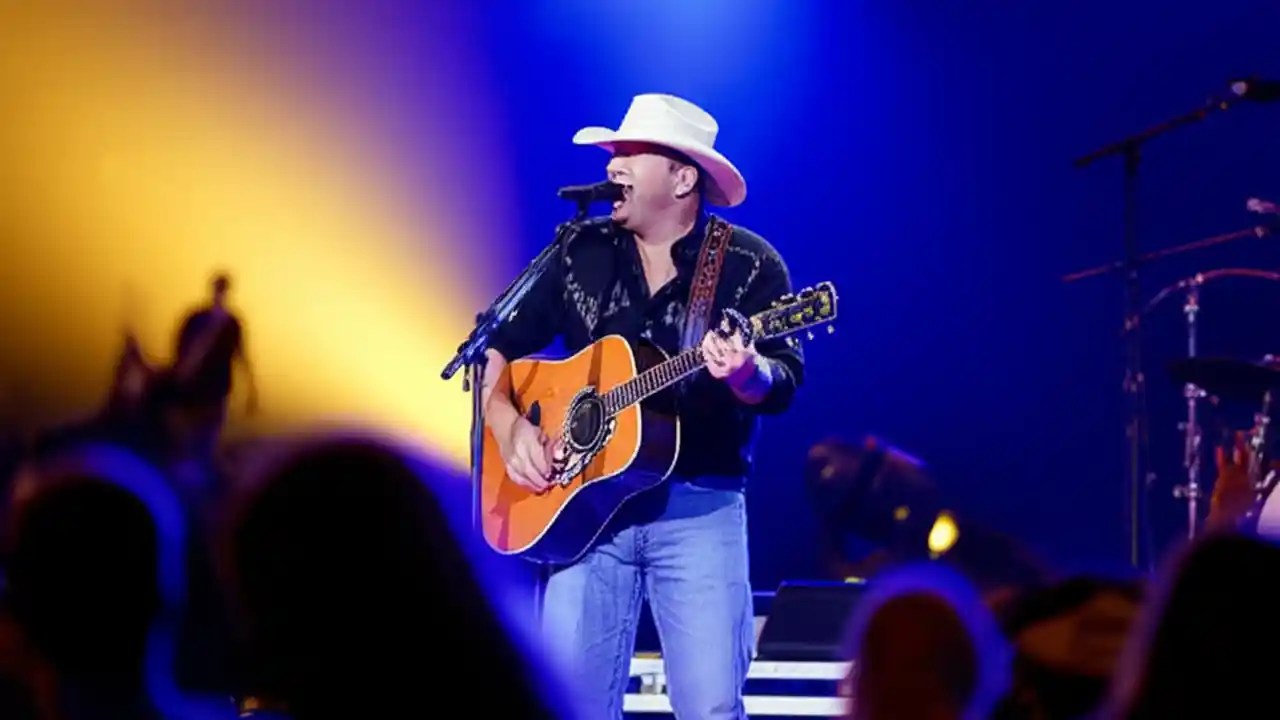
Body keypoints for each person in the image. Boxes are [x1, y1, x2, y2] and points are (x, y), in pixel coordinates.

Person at [482, 93, 804, 718]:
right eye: (614, 153)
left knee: (709, 708)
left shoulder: (748, 266)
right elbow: (496, 347)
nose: (612, 166)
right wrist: (506, 424)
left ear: (684, 178)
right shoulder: (581, 250)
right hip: (583, 512)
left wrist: (744, 372)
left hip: (699, 509)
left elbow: (781, 380)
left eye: (630, 153)